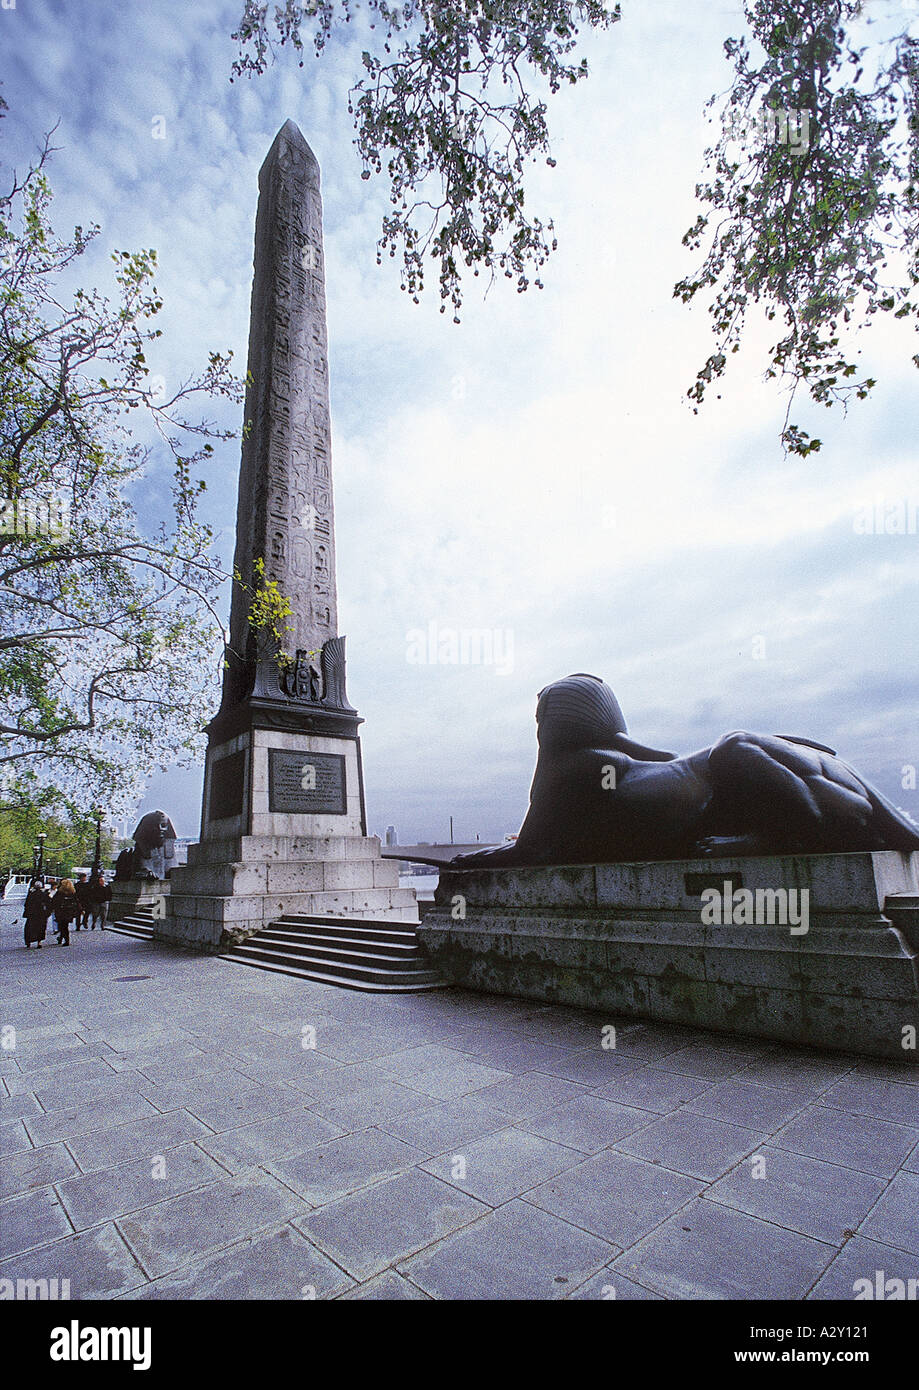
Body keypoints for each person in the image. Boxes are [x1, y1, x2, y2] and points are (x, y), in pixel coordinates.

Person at [23, 878, 51, 948]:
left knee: (29, 927)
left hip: (32, 914)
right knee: (41, 928)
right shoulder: (44, 894)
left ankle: (28, 941)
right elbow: (48, 903)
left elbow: (26, 904)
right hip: (41, 913)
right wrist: (48, 912)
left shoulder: (31, 894)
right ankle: (39, 942)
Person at [50, 878, 79, 946]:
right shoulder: (72, 893)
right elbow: (76, 901)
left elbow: (54, 901)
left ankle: (65, 939)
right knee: (65, 925)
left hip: (61, 911)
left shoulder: (60, 893)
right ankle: (62, 938)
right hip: (69, 911)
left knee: (62, 926)